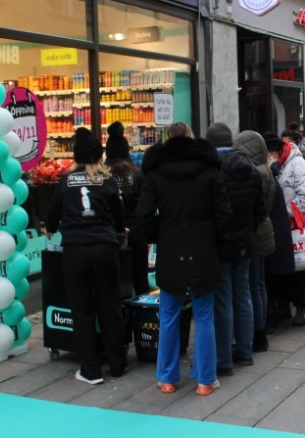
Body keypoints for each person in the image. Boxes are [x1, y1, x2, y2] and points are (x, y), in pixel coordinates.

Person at [138, 123, 232, 396]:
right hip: (203, 247)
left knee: (168, 315)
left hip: (171, 247)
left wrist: (160, 233)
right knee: (204, 316)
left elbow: (144, 213)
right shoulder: (210, 171)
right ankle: (205, 379)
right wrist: (215, 238)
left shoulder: (155, 173)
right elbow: (224, 213)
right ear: (192, 139)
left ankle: (167, 378)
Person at [45, 127, 127, 385]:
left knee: (82, 311)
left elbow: (50, 221)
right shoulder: (108, 181)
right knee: (110, 307)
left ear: (78, 156)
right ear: (99, 155)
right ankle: (117, 364)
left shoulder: (65, 182)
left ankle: (90, 371)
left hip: (76, 251)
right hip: (105, 249)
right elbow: (119, 221)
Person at [205, 123, 266, 376]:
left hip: (221, 244)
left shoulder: (212, 171)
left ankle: (224, 360)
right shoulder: (251, 169)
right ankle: (245, 351)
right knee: (244, 296)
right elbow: (260, 210)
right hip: (245, 242)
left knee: (223, 300)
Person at [232, 130, 276, 353]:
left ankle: (255, 332)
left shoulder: (252, 173)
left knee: (251, 286)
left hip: (254, 233)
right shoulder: (266, 170)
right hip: (264, 231)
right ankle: (261, 330)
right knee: (259, 284)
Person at [268, 133, 305, 326]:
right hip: (282, 225)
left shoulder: (297, 164)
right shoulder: (276, 166)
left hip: (297, 223)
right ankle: (284, 305)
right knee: (284, 268)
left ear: (276, 151)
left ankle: (303, 308)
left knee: (300, 268)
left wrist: (283, 212)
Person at [104, 121, 147, 295]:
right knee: (140, 281)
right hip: (136, 232)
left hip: (111, 235)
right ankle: (143, 319)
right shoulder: (137, 173)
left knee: (113, 284)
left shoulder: (102, 175)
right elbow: (145, 204)